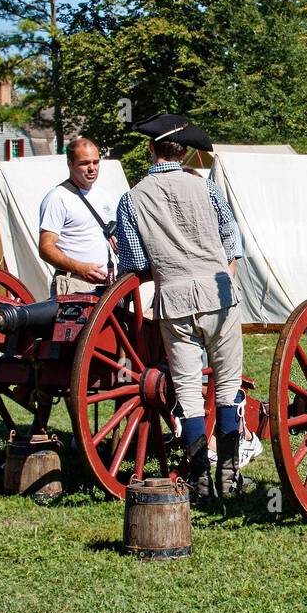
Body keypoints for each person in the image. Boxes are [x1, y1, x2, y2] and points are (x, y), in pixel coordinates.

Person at [115, 114, 247, 501]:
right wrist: (226, 272)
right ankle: (228, 474)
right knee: (227, 385)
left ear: (151, 148)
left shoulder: (131, 198)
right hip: (219, 295)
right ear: (184, 151)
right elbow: (230, 235)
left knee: (188, 390)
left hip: (172, 301)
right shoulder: (205, 187)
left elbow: (136, 263)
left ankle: (200, 480)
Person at [38, 137, 118, 296]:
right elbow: (45, 248)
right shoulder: (58, 197)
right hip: (76, 284)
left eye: (96, 162)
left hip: (107, 286)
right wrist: (79, 268)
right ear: (70, 164)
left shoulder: (104, 195)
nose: (92, 168)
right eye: (84, 163)